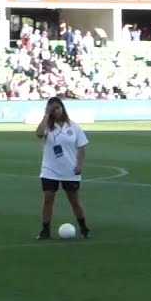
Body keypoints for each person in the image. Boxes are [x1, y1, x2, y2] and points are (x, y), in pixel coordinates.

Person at [34, 96, 90, 240]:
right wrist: (46, 115)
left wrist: (79, 165)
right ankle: (45, 230)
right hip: (49, 170)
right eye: (53, 109)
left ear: (63, 108)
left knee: (74, 201)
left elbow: (82, 147)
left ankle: (84, 227)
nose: (56, 111)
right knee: (48, 199)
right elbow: (39, 134)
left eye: (58, 107)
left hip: (69, 170)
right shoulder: (47, 126)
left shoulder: (74, 127)